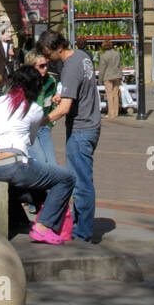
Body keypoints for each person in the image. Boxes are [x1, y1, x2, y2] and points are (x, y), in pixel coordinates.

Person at [0, 66, 75, 245]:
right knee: (66, 179)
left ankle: (19, 220)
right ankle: (43, 227)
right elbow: (30, 141)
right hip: (14, 164)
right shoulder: (34, 109)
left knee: (32, 183)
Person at [39, 29, 102, 242]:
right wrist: (63, 93)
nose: (47, 59)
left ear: (59, 48)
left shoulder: (69, 67)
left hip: (81, 128)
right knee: (83, 177)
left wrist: (41, 122)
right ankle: (80, 224)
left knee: (80, 181)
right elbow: (77, 90)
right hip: (92, 124)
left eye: (48, 55)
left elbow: (65, 107)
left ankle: (82, 231)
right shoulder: (83, 57)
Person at [24, 48, 58, 166]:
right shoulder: (23, 82)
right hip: (28, 129)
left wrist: (49, 124)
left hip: (43, 127)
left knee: (52, 164)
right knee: (41, 162)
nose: (46, 68)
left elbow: (52, 105)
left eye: (46, 65)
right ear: (31, 67)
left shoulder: (51, 81)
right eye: (41, 66)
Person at [98, 44, 123, 120]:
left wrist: (100, 80)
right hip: (117, 75)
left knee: (109, 95)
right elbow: (120, 64)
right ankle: (116, 112)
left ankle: (110, 113)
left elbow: (102, 69)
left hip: (108, 76)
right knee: (115, 94)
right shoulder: (117, 53)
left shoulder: (104, 56)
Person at [0, 23, 16, 92]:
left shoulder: (10, 44)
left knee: (7, 86)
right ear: (1, 35)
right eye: (5, 34)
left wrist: (13, 54)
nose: (7, 35)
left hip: (8, 69)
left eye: (8, 34)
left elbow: (15, 55)